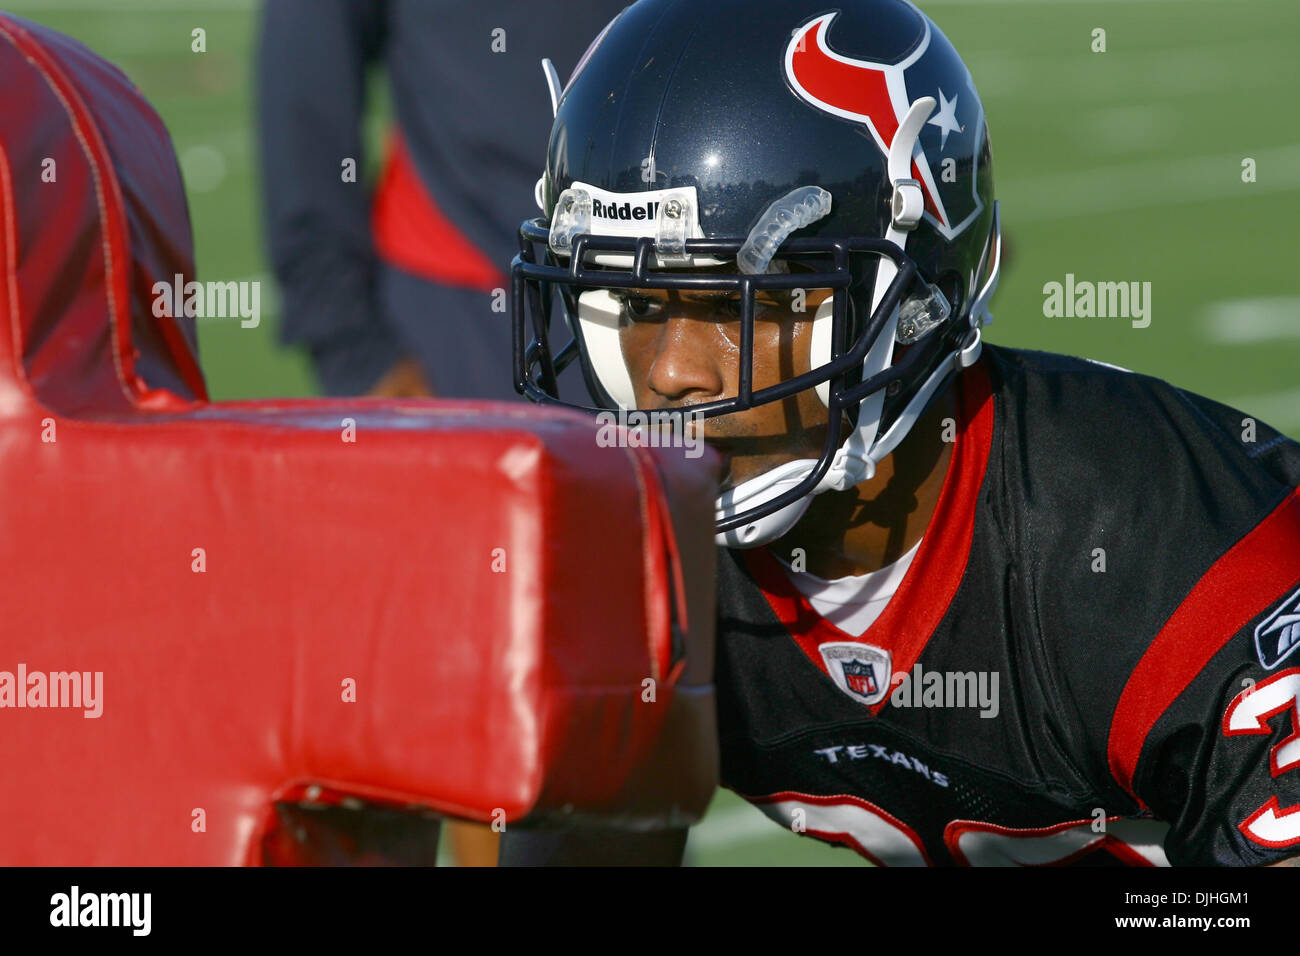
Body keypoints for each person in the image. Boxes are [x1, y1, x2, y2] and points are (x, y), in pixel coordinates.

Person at [505, 0, 1300, 866]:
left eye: (738, 305)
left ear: (912, 306)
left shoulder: (1165, 552)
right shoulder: (632, 562)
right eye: (639, 304)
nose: (668, 373)